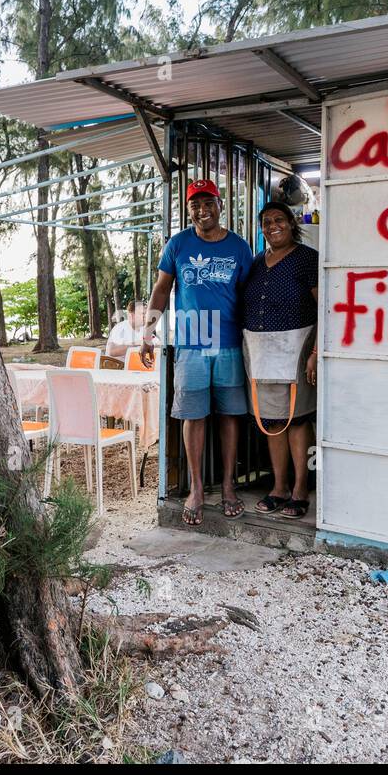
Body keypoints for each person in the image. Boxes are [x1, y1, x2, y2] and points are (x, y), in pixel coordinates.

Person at [141, 178, 253, 526]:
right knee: (194, 415)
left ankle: (229, 486)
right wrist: (148, 331)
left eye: (209, 203)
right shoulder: (178, 244)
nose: (202, 210)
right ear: (189, 209)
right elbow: (162, 289)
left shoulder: (239, 247)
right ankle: (197, 488)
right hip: (191, 345)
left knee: (230, 415)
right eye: (195, 205)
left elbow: (249, 294)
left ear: (221, 205)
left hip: (230, 343)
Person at [242, 202, 318, 519]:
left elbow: (324, 307)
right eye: (266, 222)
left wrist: (315, 354)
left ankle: (300, 489)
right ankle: (279, 487)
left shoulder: (307, 259)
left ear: (291, 224)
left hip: (297, 348)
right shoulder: (257, 262)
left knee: (297, 419)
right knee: (272, 421)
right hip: (262, 351)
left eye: (278, 220)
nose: (272, 226)